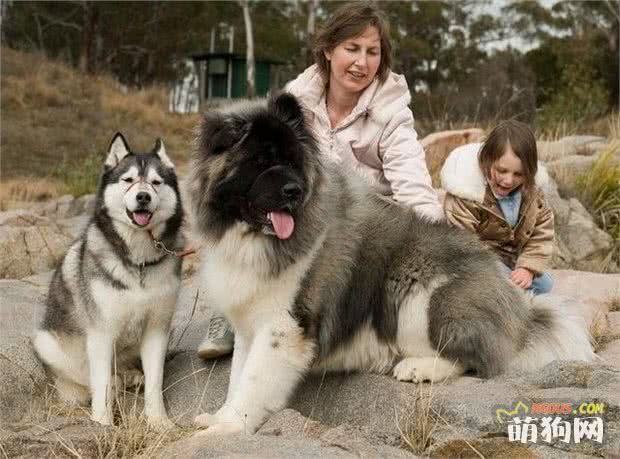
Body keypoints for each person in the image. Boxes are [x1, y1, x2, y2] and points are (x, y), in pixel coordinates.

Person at [198, 2, 443, 359]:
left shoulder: (393, 115)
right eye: (352, 48)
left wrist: (438, 247)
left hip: (362, 226)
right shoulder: (294, 101)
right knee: (235, 209)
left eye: (372, 52)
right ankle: (229, 316)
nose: (362, 62)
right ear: (328, 50)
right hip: (304, 212)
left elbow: (414, 186)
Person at [441, 119, 555, 295]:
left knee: (545, 285)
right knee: (506, 283)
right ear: (486, 160)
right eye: (502, 170)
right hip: (479, 261)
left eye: (519, 174)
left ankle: (514, 293)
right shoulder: (467, 193)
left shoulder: (533, 195)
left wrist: (528, 268)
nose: (508, 180)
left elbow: (542, 234)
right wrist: (494, 270)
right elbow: (461, 240)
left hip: (512, 260)